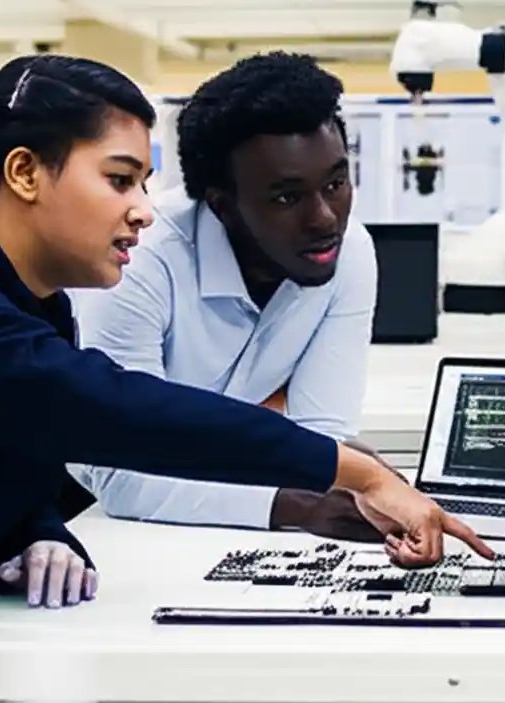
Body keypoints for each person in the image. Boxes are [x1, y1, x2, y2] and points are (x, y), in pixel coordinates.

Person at [0, 54, 491, 703]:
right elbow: (97, 409)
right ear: (25, 172)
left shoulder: (36, 308)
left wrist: (36, 536)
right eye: (120, 181)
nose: (145, 213)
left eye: (145, 184)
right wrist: (351, 473)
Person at [67, 52, 389, 538]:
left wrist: (359, 488)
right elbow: (122, 473)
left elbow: (321, 440)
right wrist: (297, 505)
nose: (325, 218)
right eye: (286, 196)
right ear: (222, 204)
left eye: (336, 182)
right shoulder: (141, 259)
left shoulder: (348, 252)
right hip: (81, 521)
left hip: (225, 512)